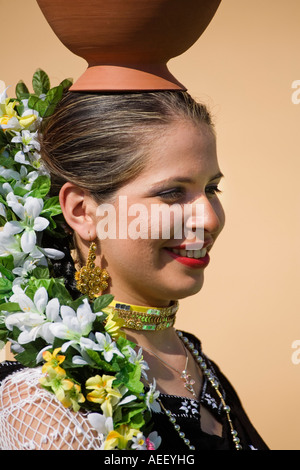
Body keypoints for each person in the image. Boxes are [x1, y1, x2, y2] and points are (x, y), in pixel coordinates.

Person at [0, 89, 268, 450]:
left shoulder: (196, 363)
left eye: (212, 188)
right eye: (173, 192)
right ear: (83, 212)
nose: (209, 219)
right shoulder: (47, 395)